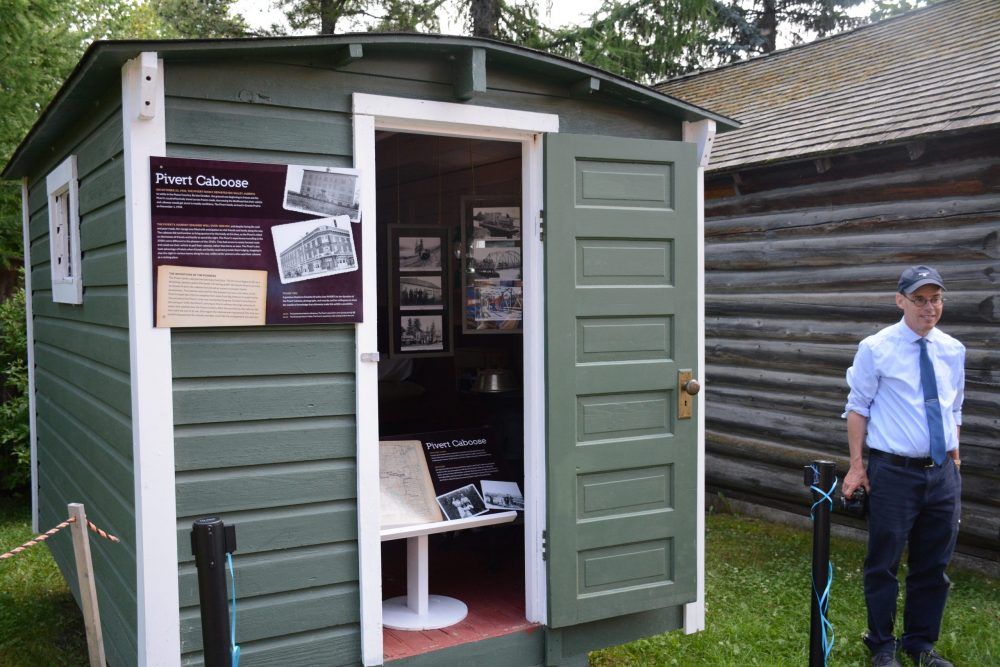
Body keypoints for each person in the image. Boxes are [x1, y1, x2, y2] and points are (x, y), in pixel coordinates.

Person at [843, 266, 964, 667]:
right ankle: (881, 645)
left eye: (936, 299)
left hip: (942, 475)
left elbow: (953, 406)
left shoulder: (953, 350)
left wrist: (954, 455)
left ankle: (921, 645)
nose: (930, 308)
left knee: (934, 564)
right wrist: (857, 466)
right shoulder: (876, 348)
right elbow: (857, 409)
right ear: (900, 301)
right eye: (920, 300)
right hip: (893, 473)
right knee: (884, 562)